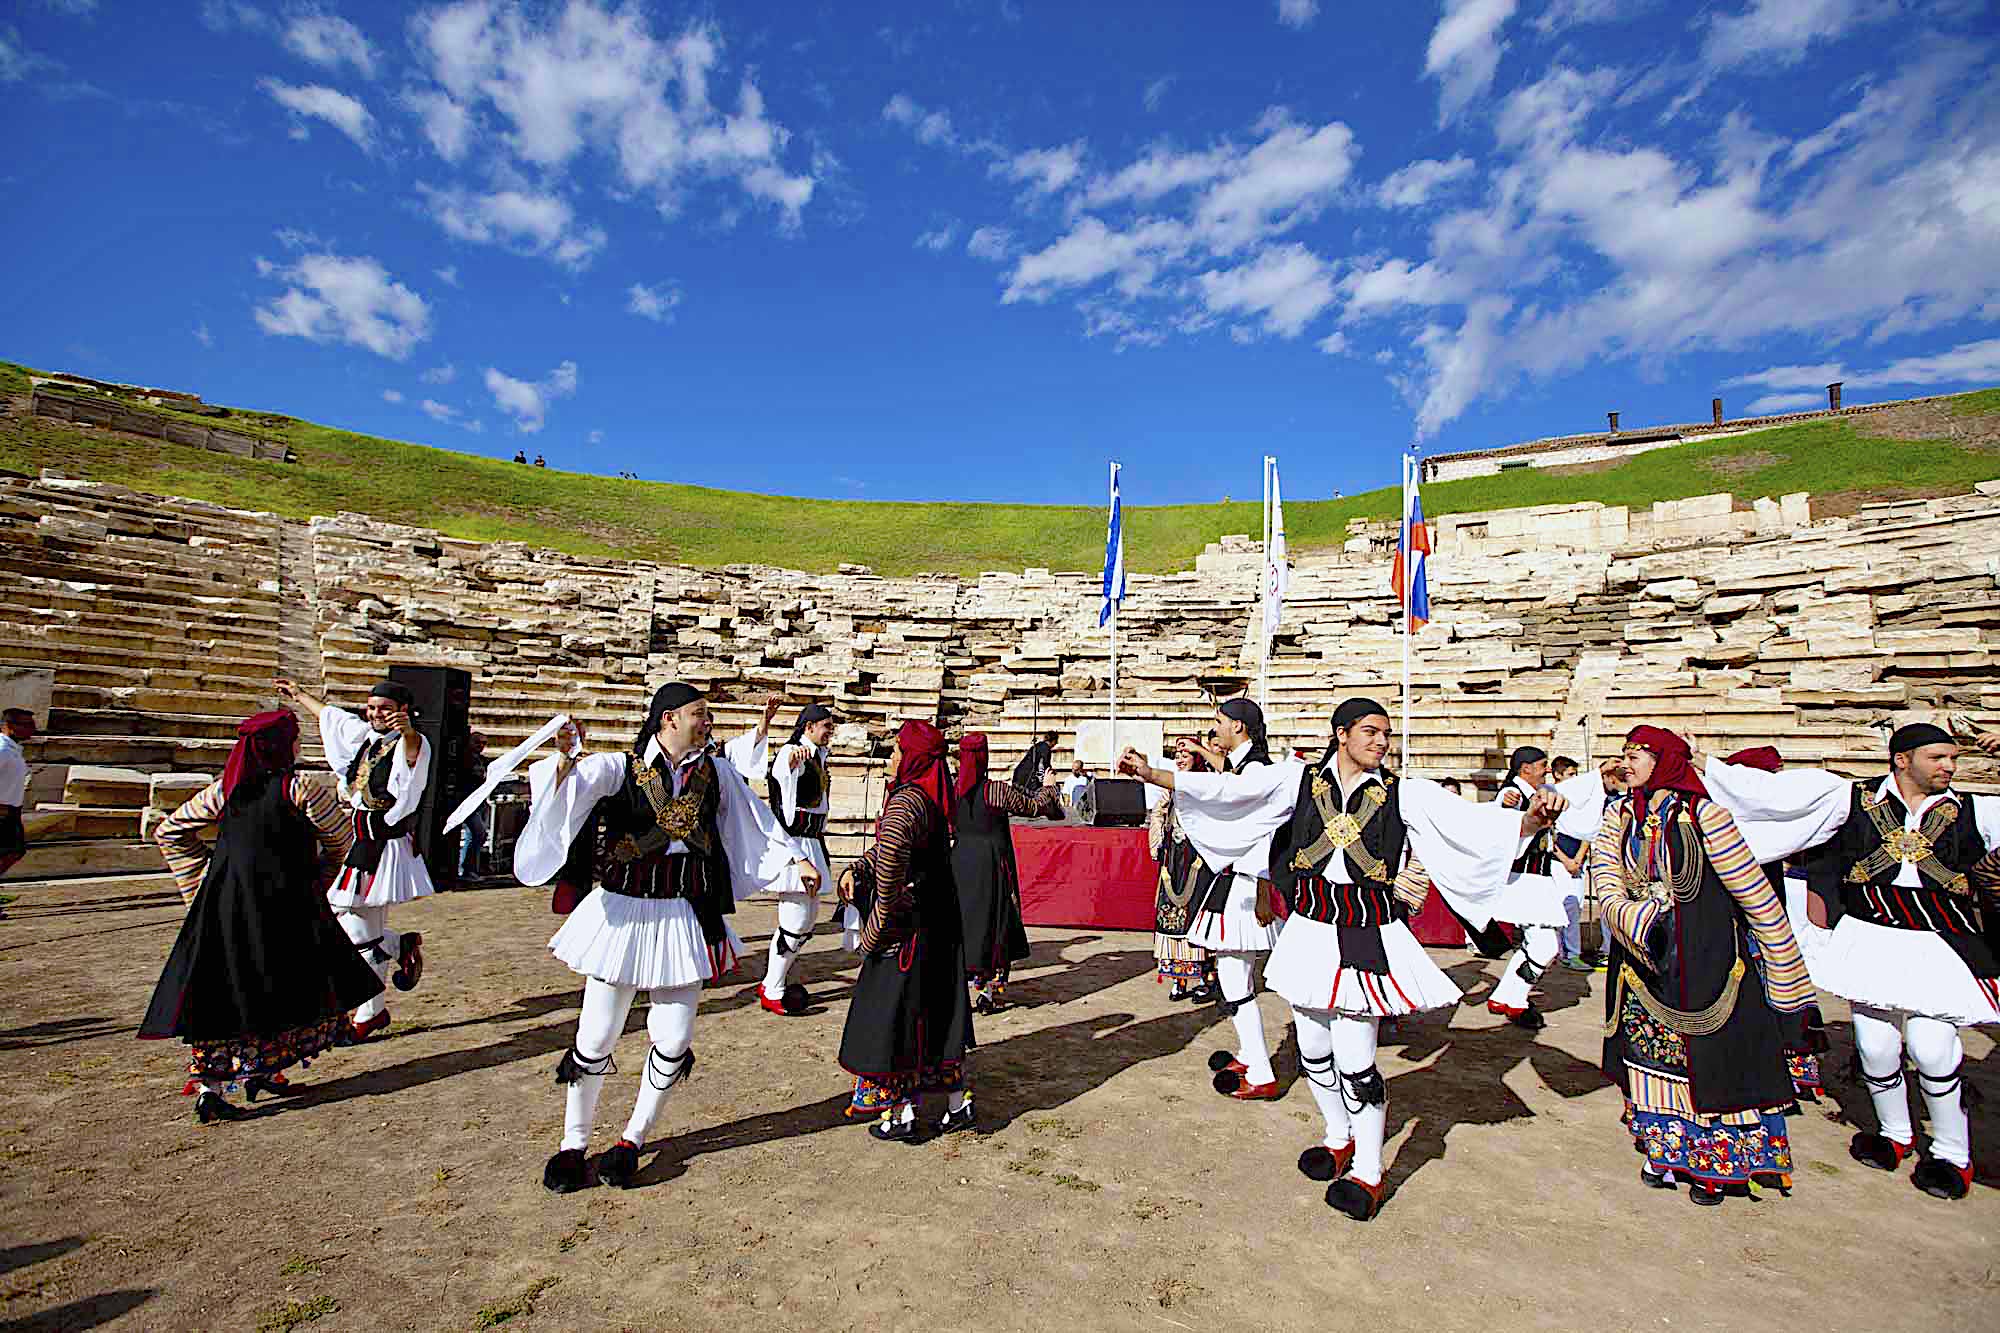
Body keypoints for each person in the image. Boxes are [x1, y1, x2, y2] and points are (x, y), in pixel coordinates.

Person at [1128, 698, 1568, 1220]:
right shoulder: (1298, 779)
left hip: (1366, 933)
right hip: (1310, 931)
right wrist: (1156, 774)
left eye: (1386, 733)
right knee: (1313, 1047)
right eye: (1370, 731)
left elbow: (1471, 827)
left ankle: (1368, 1170)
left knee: (1357, 1063)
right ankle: (1337, 1136)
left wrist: (1530, 821)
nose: (1381, 741)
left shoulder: (1406, 794)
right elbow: (1232, 790)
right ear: (1341, 734)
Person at [510, 682, 809, 1192]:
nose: (707, 720)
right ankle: (572, 1143)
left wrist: (794, 858)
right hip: (621, 916)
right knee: (595, 1036)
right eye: (699, 713)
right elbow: (571, 791)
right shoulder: (619, 767)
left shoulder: (716, 773)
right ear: (668, 719)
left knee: (673, 1040)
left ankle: (632, 1138)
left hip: (681, 915)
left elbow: (753, 820)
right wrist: (561, 767)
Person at [1701, 723, 2000, 1201]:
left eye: (1952, 758)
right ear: (1902, 760)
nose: (1949, 767)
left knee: (1932, 1048)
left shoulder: (1978, 811)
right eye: (1937, 757)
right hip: (1872, 940)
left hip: (1939, 945)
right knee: (1876, 1046)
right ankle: (1894, 1135)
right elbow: (1769, 798)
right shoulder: (1850, 799)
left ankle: (1950, 1155)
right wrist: (1703, 765)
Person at [1593, 726, 1814, 1205]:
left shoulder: (1705, 816)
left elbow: (1752, 892)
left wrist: (1784, 965)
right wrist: (1626, 913)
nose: (1627, 763)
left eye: (1638, 756)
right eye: (1625, 755)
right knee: (1652, 1056)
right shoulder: (1620, 816)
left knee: (1712, 1058)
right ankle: (1665, 1153)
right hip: (1641, 959)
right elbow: (1606, 870)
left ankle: (1718, 1163)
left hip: (1705, 959)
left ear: (1667, 761)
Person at [140, 710, 383, 1124]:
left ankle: (217, 1086)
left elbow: (170, 832)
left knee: (226, 990)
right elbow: (342, 840)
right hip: (286, 907)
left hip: (225, 909)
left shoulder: (225, 790)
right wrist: (317, 882)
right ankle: (262, 1070)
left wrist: (203, 885)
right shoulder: (299, 787)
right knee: (279, 985)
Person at [1123, 697, 1295, 1101]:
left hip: (1247, 886)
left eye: (1219, 722)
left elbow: (1225, 791)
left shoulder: (1256, 771)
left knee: (1236, 979)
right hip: (1237, 884)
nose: (1214, 728)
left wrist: (1151, 773)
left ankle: (1261, 1067)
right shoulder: (1249, 766)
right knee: (1234, 978)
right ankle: (1251, 1054)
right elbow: (1224, 777)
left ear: (1239, 726)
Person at [836, 720, 975, 1139]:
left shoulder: (903, 804)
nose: (891, 758)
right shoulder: (928, 798)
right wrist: (858, 865)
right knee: (936, 1008)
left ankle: (900, 1113)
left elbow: (890, 879)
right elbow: (887, 851)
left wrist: (874, 932)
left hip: (909, 928)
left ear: (912, 757)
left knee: (893, 1014)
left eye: (897, 750)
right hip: (939, 922)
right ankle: (955, 1103)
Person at [274, 678, 431, 1044]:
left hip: (381, 845)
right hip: (362, 841)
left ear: (403, 712)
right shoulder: (366, 736)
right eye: (373, 707)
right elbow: (332, 717)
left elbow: (412, 755)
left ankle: (373, 1005)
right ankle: (389, 960)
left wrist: (407, 731)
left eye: (385, 709)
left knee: (352, 924)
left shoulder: (414, 741)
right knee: (359, 930)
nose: (376, 713)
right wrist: (299, 695)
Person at [954, 732, 1064, 1013]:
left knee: (964, 924)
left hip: (960, 861)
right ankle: (988, 992)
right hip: (991, 862)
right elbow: (1033, 807)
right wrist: (1049, 787)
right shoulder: (995, 790)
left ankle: (962, 988)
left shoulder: (952, 789)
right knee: (993, 924)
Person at [754, 703, 840, 1017]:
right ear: (808, 727)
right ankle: (772, 988)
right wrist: (789, 762)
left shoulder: (817, 757)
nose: (830, 731)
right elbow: (780, 776)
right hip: (796, 844)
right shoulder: (795, 752)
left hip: (813, 842)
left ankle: (772, 983)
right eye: (825, 726)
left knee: (805, 923)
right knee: (794, 923)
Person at [1488, 746, 1563, 1029]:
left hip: (1536, 878)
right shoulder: (1514, 794)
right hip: (1525, 879)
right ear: (1525, 769)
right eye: (1542, 765)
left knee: (1534, 944)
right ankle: (1517, 999)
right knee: (1546, 946)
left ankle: (1504, 996)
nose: (1546, 769)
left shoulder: (1534, 793)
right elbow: (1500, 824)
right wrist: (1503, 805)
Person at [1148, 739, 1217, 1002]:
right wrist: (1156, 842)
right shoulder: (1172, 786)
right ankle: (1178, 979)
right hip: (1174, 860)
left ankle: (1206, 977)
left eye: (1185, 754)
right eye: (1177, 754)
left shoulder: (1207, 784)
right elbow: (1158, 813)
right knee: (1171, 915)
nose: (1180, 759)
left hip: (1199, 860)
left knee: (1198, 915)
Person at [0, 708, 35, 879]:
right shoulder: (2, 750)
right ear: (8, 725)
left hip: (12, 810)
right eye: (26, 724)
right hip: (2, 810)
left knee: (15, 851)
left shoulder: (13, 749)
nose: (32, 729)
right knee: (11, 851)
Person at [457, 731, 490, 882]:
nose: (481, 746)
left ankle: (470, 870)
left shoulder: (482, 760)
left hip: (479, 802)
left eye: (484, 743)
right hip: (467, 801)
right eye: (478, 743)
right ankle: (466, 869)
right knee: (479, 833)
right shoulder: (464, 759)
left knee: (475, 835)